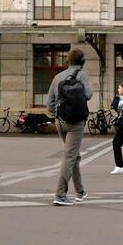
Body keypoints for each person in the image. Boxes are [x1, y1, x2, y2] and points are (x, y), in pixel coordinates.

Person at [47, 48, 92, 205]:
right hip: (76, 123)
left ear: (68, 61)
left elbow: (50, 104)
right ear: (82, 61)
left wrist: (59, 114)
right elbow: (89, 94)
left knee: (74, 156)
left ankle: (80, 191)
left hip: (60, 122)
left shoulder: (58, 77)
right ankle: (60, 195)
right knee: (69, 157)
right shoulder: (82, 75)